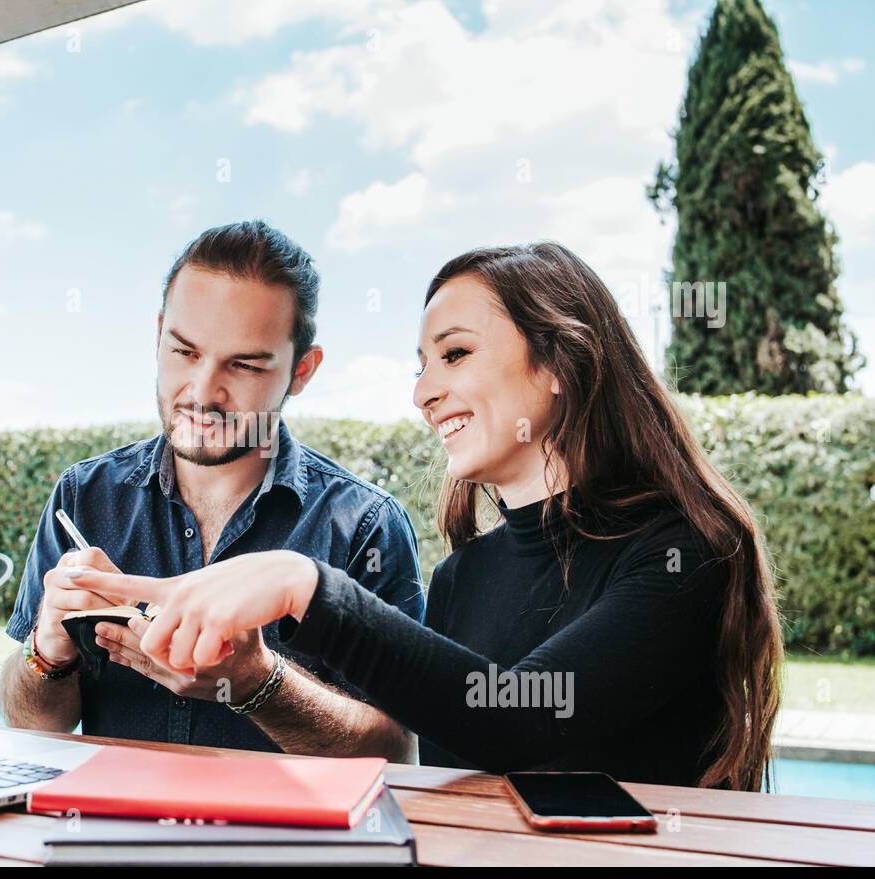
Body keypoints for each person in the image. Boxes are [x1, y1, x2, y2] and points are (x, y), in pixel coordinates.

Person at [66, 241, 785, 790]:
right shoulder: (463, 576)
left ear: (562, 363)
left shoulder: (682, 555)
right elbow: (438, 786)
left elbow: (514, 720)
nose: (423, 394)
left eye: (456, 355)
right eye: (422, 364)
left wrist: (303, 584)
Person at [0, 220, 425, 761]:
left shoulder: (365, 525)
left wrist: (258, 684)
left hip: (283, 844)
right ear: (158, 335)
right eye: (184, 352)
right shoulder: (84, 496)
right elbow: (33, 725)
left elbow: (397, 752)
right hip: (115, 838)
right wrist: (47, 653)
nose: (203, 393)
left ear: (302, 371)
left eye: (244, 364)